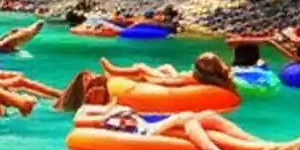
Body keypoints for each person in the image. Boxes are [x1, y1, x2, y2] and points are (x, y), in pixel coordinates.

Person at [73, 103, 300, 150]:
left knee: (209, 116)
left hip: (146, 126)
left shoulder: (111, 104)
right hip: (139, 134)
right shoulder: (89, 109)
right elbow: (79, 120)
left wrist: (116, 107)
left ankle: (269, 145)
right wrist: (109, 113)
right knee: (186, 117)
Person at [100, 53, 236, 92]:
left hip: (173, 79)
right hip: (176, 76)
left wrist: (148, 79)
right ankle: (120, 73)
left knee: (141, 68)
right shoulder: (216, 77)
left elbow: (169, 83)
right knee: (167, 67)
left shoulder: (191, 79)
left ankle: (113, 71)